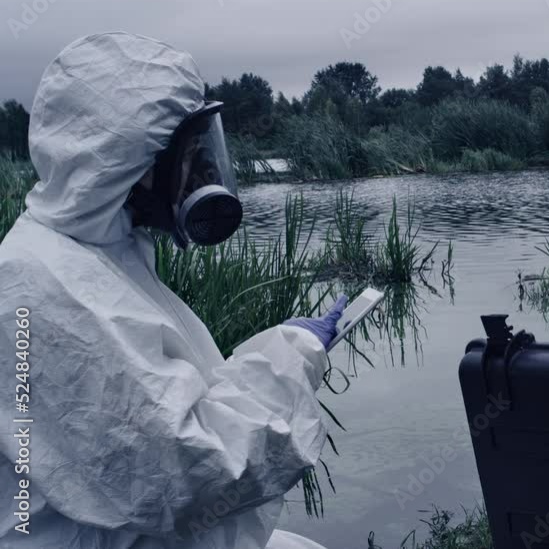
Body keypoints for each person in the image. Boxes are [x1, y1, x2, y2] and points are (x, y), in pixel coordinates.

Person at [0, 32, 346, 549]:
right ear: (132, 164)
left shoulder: (104, 253)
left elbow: (165, 403)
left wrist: (281, 348)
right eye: (191, 153)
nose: (206, 172)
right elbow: (189, 474)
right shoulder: (38, 285)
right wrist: (291, 358)